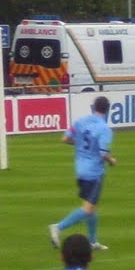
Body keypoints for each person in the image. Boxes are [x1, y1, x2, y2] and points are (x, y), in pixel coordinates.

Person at [50, 95, 115, 250]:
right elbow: (102, 153)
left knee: (92, 207)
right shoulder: (104, 128)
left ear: (93, 107)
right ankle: (58, 227)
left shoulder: (80, 121)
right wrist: (111, 160)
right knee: (87, 208)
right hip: (94, 172)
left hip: (80, 170)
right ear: (107, 109)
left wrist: (78, 145)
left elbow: (65, 138)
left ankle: (92, 242)